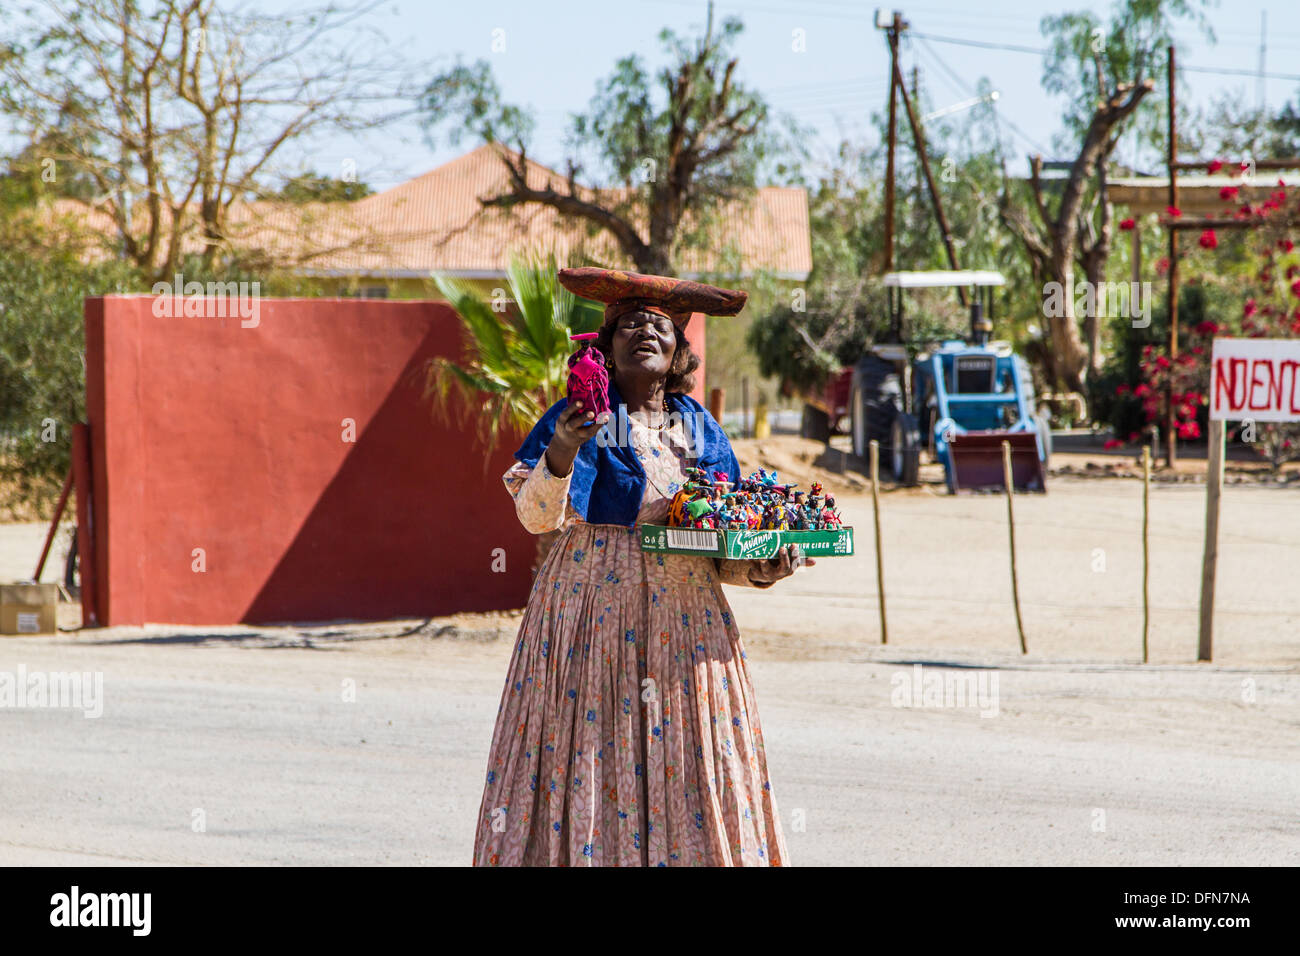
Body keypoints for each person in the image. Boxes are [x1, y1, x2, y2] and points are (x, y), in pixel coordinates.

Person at [473, 267, 814, 867]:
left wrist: (762, 568)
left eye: (659, 324)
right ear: (604, 348)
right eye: (628, 324)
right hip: (586, 629)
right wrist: (562, 450)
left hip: (686, 630)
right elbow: (535, 519)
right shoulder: (575, 417)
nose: (644, 332)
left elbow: (721, 544)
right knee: (590, 756)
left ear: (680, 350)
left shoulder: (702, 432)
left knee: (692, 758)